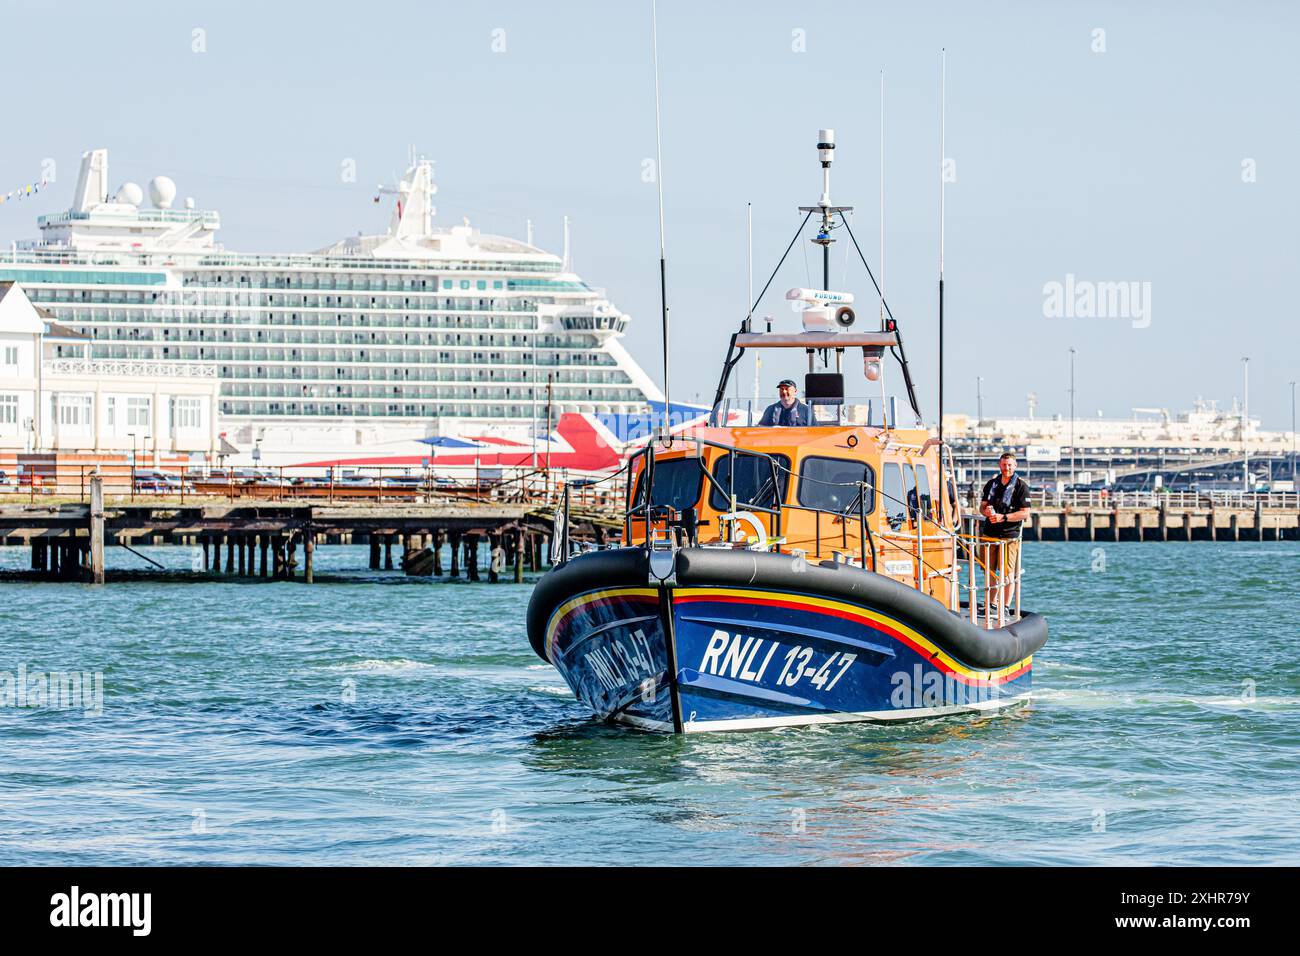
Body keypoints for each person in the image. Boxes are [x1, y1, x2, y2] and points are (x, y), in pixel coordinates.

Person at [979, 451, 1031, 612]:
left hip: (1009, 536)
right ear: (999, 465)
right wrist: (986, 512)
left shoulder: (1021, 487)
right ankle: (990, 603)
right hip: (989, 534)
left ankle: (1006, 606)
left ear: (1015, 466)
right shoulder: (991, 484)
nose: (1006, 467)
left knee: (1007, 573)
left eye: (1009, 465)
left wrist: (1004, 517)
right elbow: (982, 507)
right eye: (1004, 464)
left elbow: (1025, 513)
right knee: (989, 571)